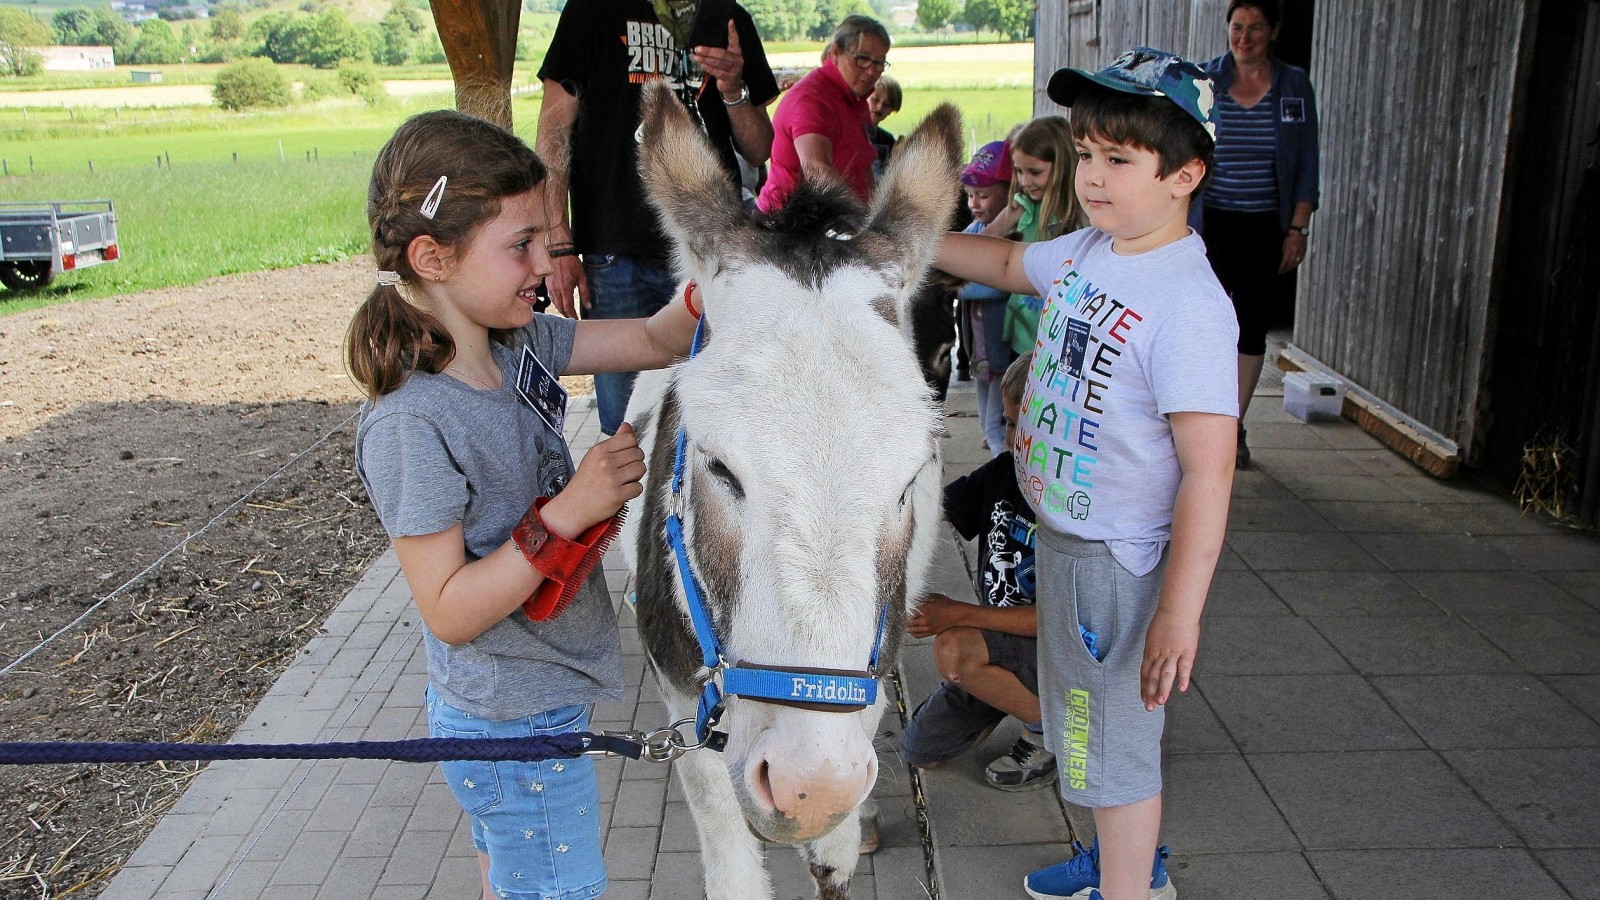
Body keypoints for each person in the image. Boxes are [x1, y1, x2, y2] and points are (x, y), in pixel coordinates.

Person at [348, 110, 700, 900]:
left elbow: (652, 340)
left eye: (547, 240)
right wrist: (568, 513)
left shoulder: (517, 343)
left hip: (533, 705)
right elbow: (447, 609)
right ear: (432, 258)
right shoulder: (413, 421)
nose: (546, 264)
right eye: (521, 247)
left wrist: (711, 288)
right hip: (508, 724)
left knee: (515, 881)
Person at [934, 47, 1238, 900]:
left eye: (1119, 160)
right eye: (1086, 152)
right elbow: (1000, 265)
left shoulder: (1189, 304)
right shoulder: (1092, 252)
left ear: (1185, 175)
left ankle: (1130, 890)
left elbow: (1210, 475)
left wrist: (1179, 614)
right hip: (1063, 542)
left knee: (1115, 742)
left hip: (1119, 566)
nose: (1093, 178)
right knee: (1081, 727)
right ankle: (1121, 863)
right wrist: (910, 232)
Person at [536, 0, 778, 435]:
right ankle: (631, 505)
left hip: (707, 251)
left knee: (715, 412)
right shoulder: (592, 10)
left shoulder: (727, 17)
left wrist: (733, 87)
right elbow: (554, 128)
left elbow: (760, 149)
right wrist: (557, 240)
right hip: (613, 250)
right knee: (626, 422)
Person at [901, 352, 1058, 791]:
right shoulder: (1005, 473)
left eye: (1021, 427)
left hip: (1056, 653)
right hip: (1000, 647)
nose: (1010, 440)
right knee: (920, 752)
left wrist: (957, 614)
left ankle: (1051, 731)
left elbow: (1056, 619)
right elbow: (931, 511)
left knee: (954, 649)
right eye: (1006, 423)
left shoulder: (1078, 506)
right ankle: (1001, 693)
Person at [1194, 0, 1320, 466]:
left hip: (1266, 223)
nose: (1244, 38)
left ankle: (1233, 428)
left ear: (1274, 31)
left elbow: (1307, 160)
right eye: (1237, 28)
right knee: (1205, 323)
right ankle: (1197, 418)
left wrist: (1297, 229)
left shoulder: (1293, 85)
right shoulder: (1206, 81)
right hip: (1211, 223)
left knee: (1250, 326)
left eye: (1256, 29)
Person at [757, 15, 891, 212]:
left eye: (879, 63)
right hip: (789, 229)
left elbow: (863, 166)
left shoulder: (855, 97)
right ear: (836, 51)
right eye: (863, 59)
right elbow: (817, 171)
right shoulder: (812, 99)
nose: (872, 71)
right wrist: (865, 223)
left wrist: (876, 212)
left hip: (832, 221)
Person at [994, 116, 1080, 361]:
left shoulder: (1080, 217)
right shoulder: (1021, 207)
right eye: (1019, 171)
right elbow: (985, 238)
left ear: (1063, 166)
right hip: (1024, 336)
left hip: (1063, 338)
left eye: (1034, 172)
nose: (1024, 181)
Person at [956, 139, 1019, 454]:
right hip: (979, 347)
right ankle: (990, 438)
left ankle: (998, 457)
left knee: (997, 411)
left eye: (983, 195)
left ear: (1009, 194)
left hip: (999, 346)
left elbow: (993, 283)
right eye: (969, 195)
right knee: (984, 403)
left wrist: (952, 282)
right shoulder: (975, 228)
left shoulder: (1011, 235)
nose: (974, 203)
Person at [867, 73, 903, 179]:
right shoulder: (849, 132)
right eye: (875, 99)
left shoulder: (888, 140)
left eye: (886, 105)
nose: (879, 108)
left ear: (892, 110)